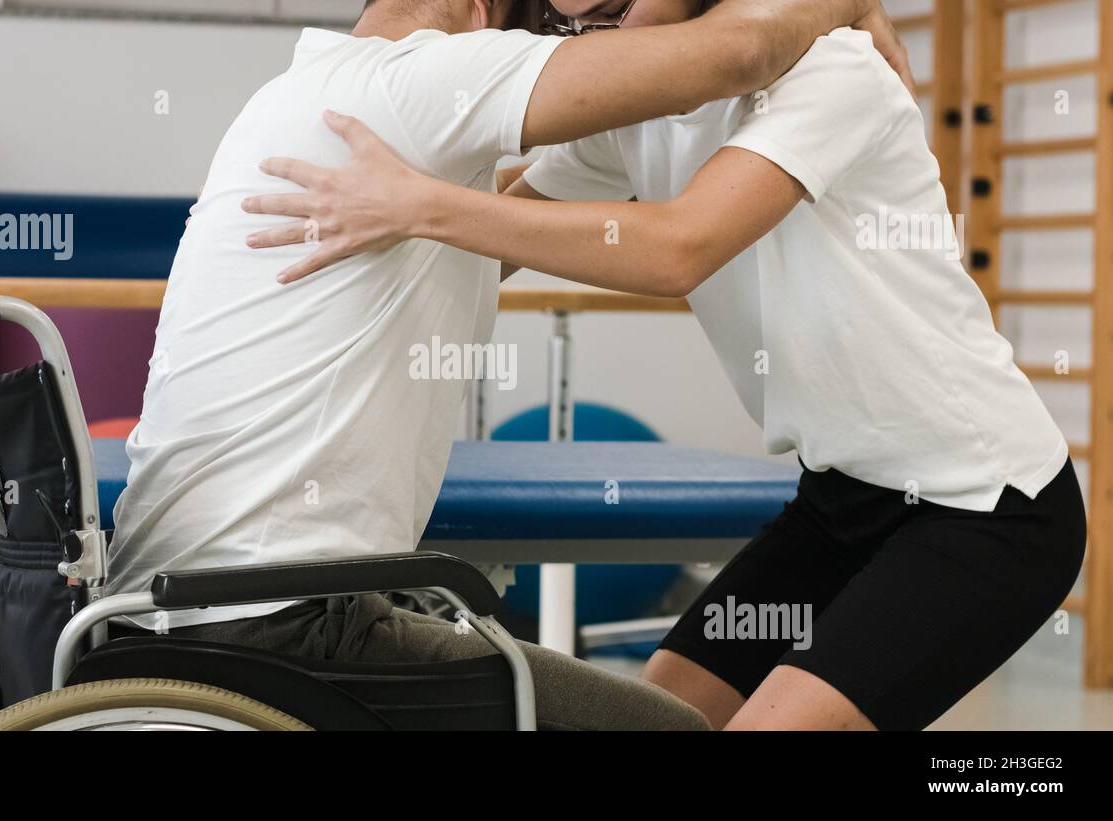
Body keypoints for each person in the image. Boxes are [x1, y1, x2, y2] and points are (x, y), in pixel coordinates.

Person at [240, 0, 1087, 731]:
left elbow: (679, 246)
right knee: (659, 719)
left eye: (612, 13)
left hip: (985, 509)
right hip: (839, 502)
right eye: (575, 25)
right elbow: (488, 244)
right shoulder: (641, 115)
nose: (597, 40)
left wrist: (424, 206)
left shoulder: (834, 73)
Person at [106, 0, 913, 731]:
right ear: (480, 13)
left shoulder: (293, 98)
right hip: (284, 629)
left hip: (160, 607)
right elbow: (735, 51)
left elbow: (502, 222)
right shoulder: (423, 78)